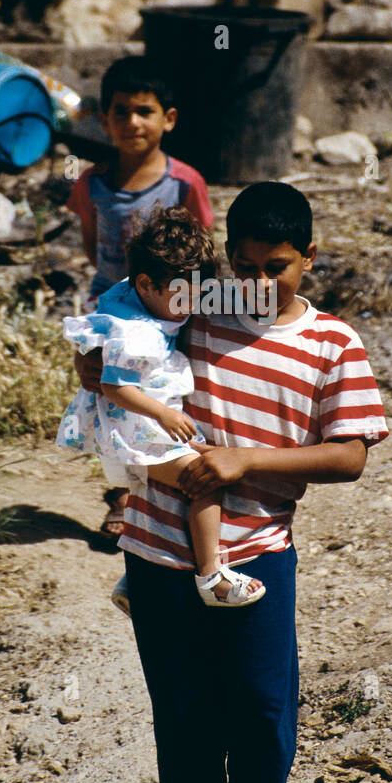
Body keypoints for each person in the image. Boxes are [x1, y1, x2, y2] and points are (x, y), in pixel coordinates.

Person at [75, 182, 389, 783]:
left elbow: (349, 455)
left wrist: (247, 461)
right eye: (242, 266)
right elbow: (111, 338)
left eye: (277, 267)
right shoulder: (195, 310)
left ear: (311, 258)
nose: (257, 283)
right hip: (156, 552)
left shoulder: (332, 344)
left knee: (261, 726)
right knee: (184, 729)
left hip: (256, 559)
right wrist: (95, 366)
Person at [58, 206, 266, 614]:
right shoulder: (137, 335)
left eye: (198, 294)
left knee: (188, 480)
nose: (191, 306)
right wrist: (163, 414)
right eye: (182, 297)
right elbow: (114, 385)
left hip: (136, 430)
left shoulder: (134, 294)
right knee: (205, 482)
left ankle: (141, 579)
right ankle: (212, 577)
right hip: (139, 431)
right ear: (147, 283)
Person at [66, 56, 214, 538]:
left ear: (168, 118)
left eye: (144, 111)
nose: (133, 122)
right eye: (121, 111)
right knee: (110, 396)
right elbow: (92, 243)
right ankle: (120, 498)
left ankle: (168, 488)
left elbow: (204, 247)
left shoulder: (183, 182)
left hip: (170, 313)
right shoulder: (92, 183)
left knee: (162, 394)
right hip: (113, 311)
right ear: (104, 119)